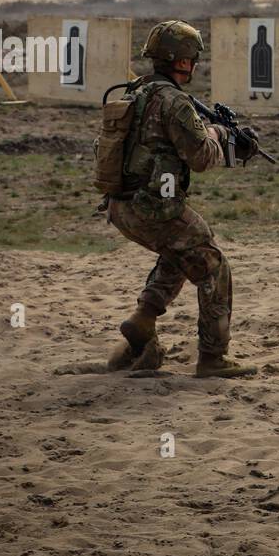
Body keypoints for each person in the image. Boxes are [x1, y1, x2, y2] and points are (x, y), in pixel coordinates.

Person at [103, 20, 258, 378]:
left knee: (180, 253)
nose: (194, 64)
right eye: (192, 59)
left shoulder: (136, 91)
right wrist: (221, 135)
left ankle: (142, 320)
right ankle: (213, 358)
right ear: (183, 61)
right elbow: (201, 158)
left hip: (120, 205)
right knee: (213, 264)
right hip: (153, 208)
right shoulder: (175, 102)